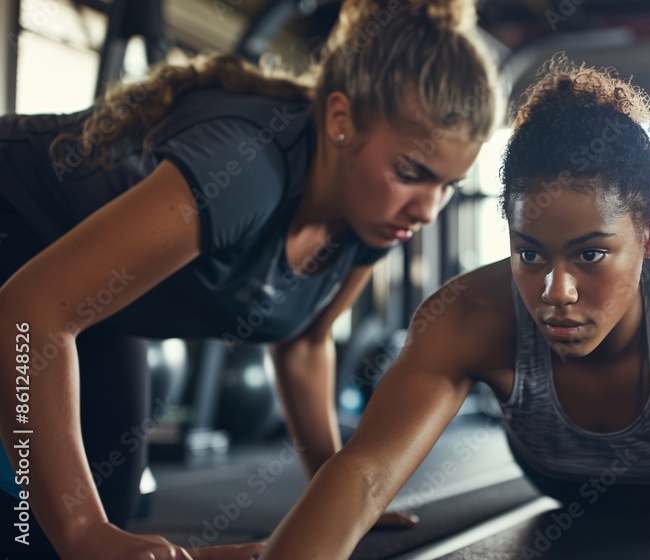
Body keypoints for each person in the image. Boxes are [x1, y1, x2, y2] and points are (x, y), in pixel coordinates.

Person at [259, 55, 650, 560]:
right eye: (529, 254)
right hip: (564, 484)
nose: (556, 292)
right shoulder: (468, 317)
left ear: (649, 233)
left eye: (590, 255)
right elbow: (365, 473)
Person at [0, 0, 497, 558]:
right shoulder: (247, 168)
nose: (428, 209)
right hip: (16, 256)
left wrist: (340, 499)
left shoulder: (371, 219)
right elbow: (29, 311)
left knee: (104, 517)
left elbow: (306, 344)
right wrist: (81, 531)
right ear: (340, 121)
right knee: (38, 532)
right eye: (411, 172)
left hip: (85, 314)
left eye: (449, 186)